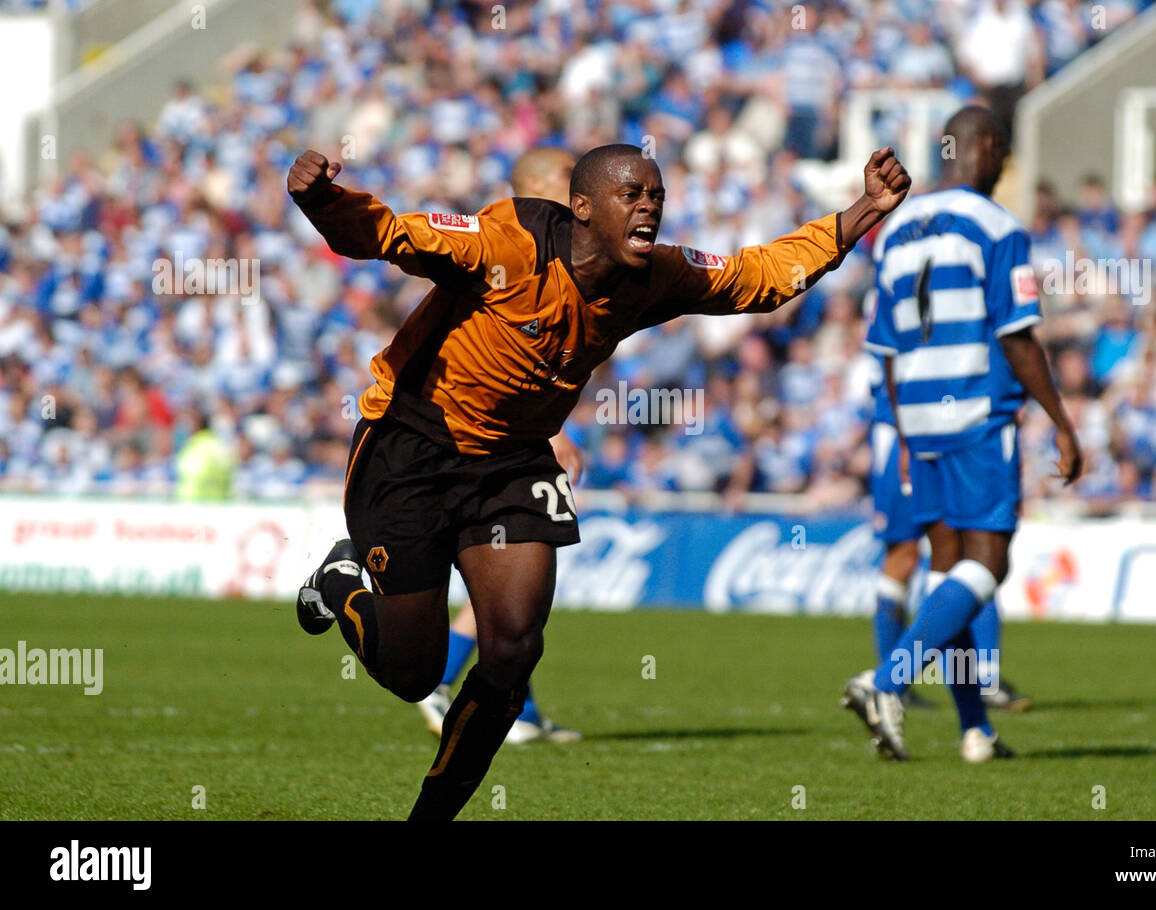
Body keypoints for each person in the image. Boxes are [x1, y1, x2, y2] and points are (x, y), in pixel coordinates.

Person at [288, 141, 912, 819]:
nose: (649, 207)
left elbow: (755, 277)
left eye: (656, 196)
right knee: (413, 673)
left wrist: (865, 209)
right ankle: (341, 581)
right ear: (581, 208)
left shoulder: (655, 276)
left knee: (514, 647)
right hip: (413, 447)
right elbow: (385, 234)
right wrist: (323, 199)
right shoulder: (506, 245)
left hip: (512, 461)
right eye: (632, 195)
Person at [844, 106, 1080, 763]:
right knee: (989, 562)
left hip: (916, 419)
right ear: (990, 148)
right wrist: (1062, 422)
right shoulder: (996, 225)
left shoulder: (896, 230)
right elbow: (1018, 336)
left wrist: (904, 433)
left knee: (949, 574)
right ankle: (885, 681)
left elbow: (885, 347)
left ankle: (975, 730)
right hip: (976, 412)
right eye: (1005, 153)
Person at [415, 146, 585, 745]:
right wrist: (550, 434)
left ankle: (520, 709)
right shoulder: (503, 246)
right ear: (537, 183)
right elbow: (499, 359)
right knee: (507, 583)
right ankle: (442, 683)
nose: (580, 190)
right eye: (568, 178)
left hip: (498, 439)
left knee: (515, 589)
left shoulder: (559, 254)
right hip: (464, 444)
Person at [861, 348, 1033, 714]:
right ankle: (891, 680)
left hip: (946, 424)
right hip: (912, 427)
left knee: (967, 555)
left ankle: (976, 689)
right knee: (916, 556)